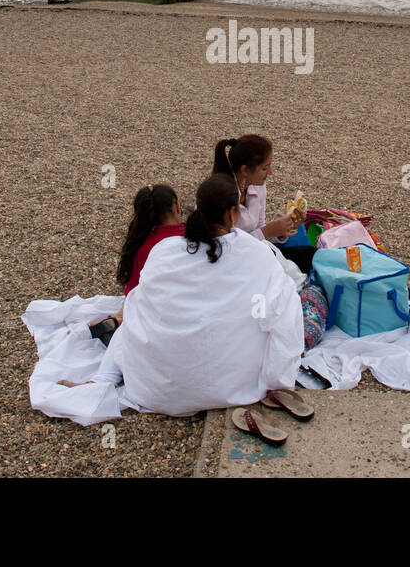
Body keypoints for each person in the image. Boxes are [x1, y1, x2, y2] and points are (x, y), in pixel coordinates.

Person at [75, 175, 308, 439]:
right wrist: (277, 381)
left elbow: (141, 304)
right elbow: (281, 313)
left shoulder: (165, 250)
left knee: (136, 308)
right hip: (236, 383)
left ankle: (104, 378)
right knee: (286, 301)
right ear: (233, 214)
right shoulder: (255, 253)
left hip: (159, 388)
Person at [88, 184, 184, 346]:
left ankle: (117, 321)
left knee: (135, 302)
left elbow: (132, 290)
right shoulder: (189, 235)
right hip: (183, 306)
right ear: (176, 206)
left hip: (150, 307)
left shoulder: (140, 243)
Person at [213, 135, 302, 244]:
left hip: (254, 250)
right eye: (264, 168)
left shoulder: (257, 185)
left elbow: (260, 227)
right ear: (245, 170)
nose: (270, 172)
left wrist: (284, 228)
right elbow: (224, 245)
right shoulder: (220, 196)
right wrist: (267, 232)